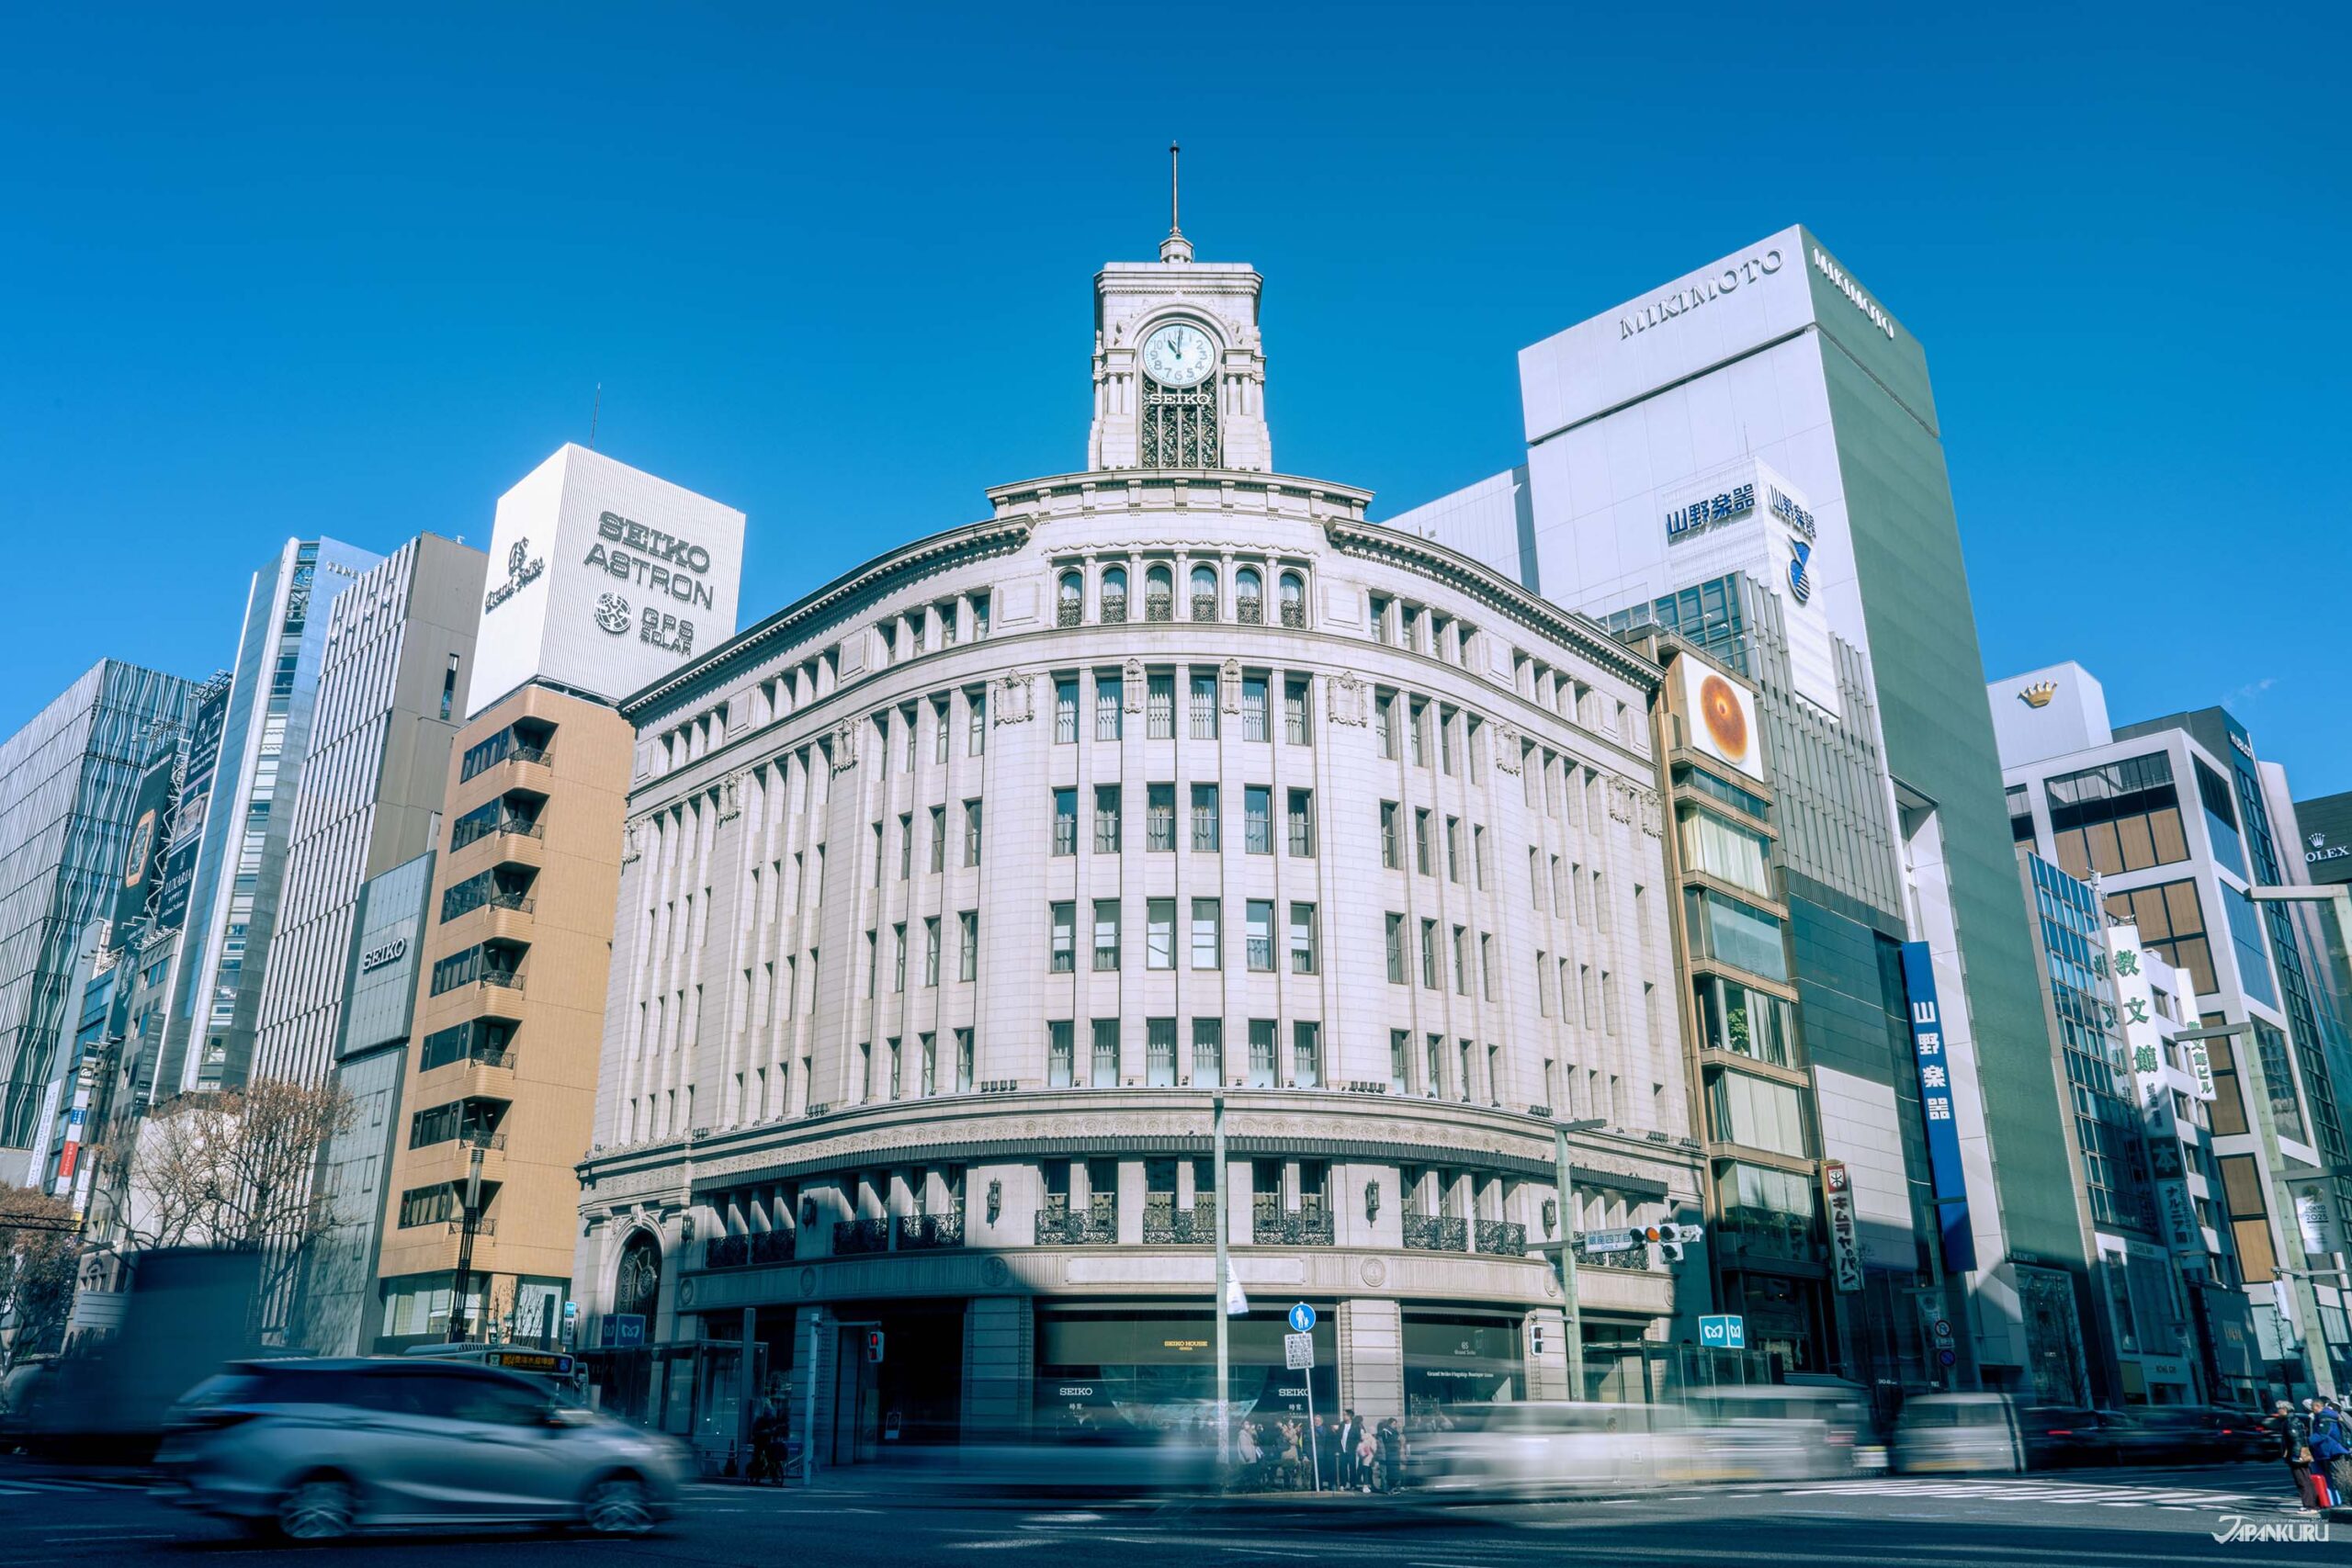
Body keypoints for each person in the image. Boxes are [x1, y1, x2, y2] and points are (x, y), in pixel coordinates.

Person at [2269, 1397, 2317, 1514]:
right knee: (2306, 1478)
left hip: (2297, 1453)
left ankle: (2309, 1506)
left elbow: (2295, 1439)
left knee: (2301, 1480)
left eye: (2279, 1409)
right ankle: (2312, 1504)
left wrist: (2295, 1456)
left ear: (2285, 1409)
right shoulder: (2296, 1419)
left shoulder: (2289, 1422)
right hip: (2303, 1452)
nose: (2278, 1411)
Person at [2313, 1397, 2351, 1509]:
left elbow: (2323, 1434)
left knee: (2338, 1477)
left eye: (2313, 1407)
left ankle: (2345, 1501)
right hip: (2337, 1450)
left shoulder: (2325, 1418)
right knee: (2339, 1476)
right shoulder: (2335, 1417)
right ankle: (2340, 1500)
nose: (2312, 1410)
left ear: (2319, 1407)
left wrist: (2307, 1441)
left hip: (2332, 1451)